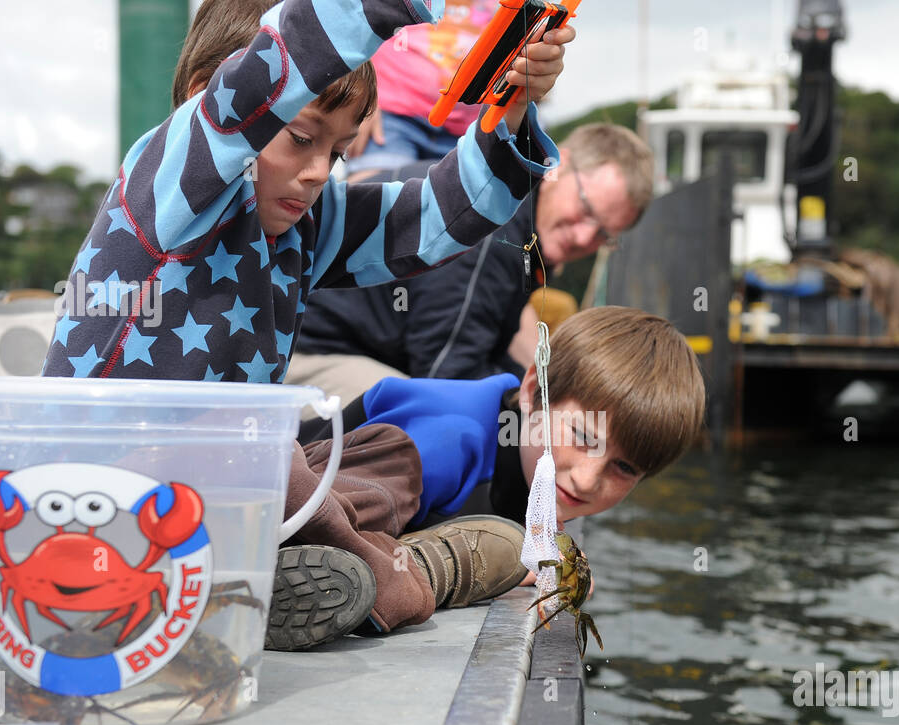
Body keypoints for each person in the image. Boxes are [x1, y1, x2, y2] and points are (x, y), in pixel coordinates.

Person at [38, 0, 576, 647]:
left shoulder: (305, 222)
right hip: (96, 501)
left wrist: (510, 106)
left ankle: (282, 565)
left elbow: (437, 219)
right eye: (300, 136)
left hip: (228, 489)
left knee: (383, 447)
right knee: (270, 454)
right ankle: (396, 573)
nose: (319, 169)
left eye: (339, 148)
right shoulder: (172, 177)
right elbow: (268, 77)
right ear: (207, 100)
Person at [285, 307, 706, 643]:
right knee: (393, 472)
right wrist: (499, 562)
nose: (587, 480)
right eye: (581, 435)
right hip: (280, 492)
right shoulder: (448, 436)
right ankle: (407, 573)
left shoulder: (538, 469)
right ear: (531, 392)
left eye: (625, 468)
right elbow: (302, 511)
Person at [286, 122, 655, 407]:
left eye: (603, 234)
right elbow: (447, 377)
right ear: (562, 163)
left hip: (338, 344)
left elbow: (477, 352)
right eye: (586, 209)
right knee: (424, 419)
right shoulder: (491, 234)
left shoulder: (518, 222)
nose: (582, 237)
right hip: (294, 351)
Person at [343, 0, 502, 180]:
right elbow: (355, 21)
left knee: (456, 202)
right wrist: (361, 96)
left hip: (470, 130)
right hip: (392, 117)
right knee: (370, 192)